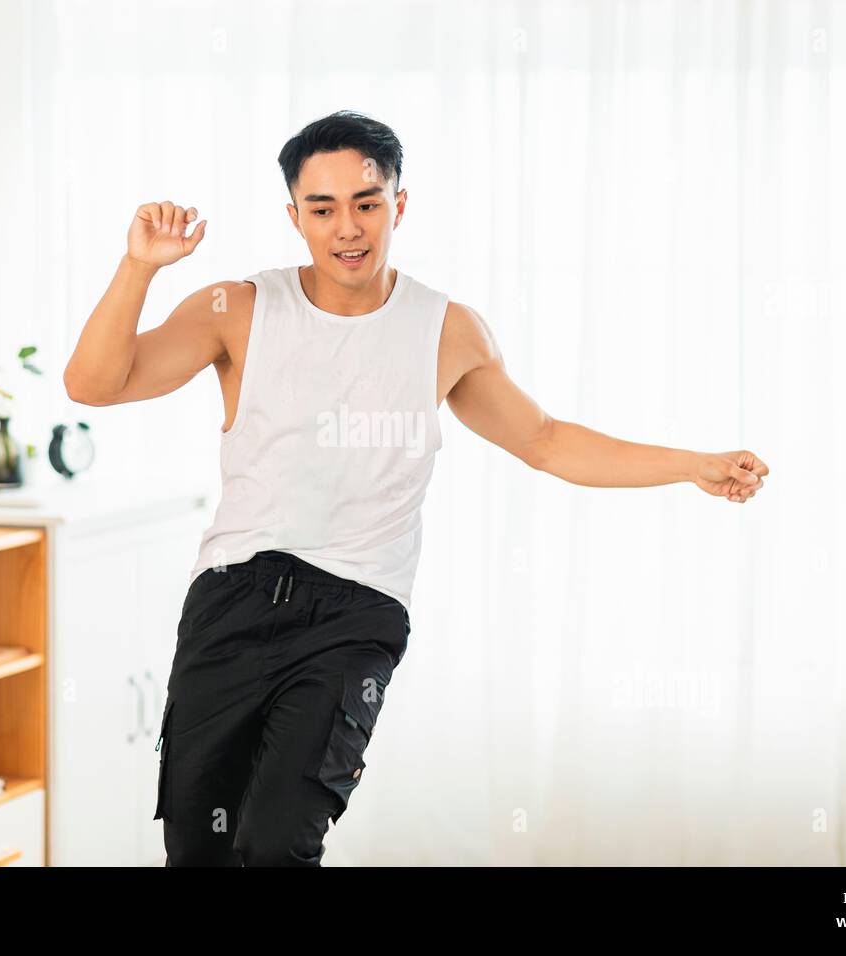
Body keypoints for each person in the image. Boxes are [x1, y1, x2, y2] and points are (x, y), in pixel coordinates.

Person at [63, 110, 769, 866]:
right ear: (294, 216)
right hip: (231, 601)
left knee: (274, 846)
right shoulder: (237, 309)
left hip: (353, 613)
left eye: (367, 203)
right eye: (323, 208)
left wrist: (690, 463)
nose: (348, 228)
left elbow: (546, 440)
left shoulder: (446, 329)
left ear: (398, 204)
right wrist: (139, 267)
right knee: (199, 852)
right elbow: (95, 384)